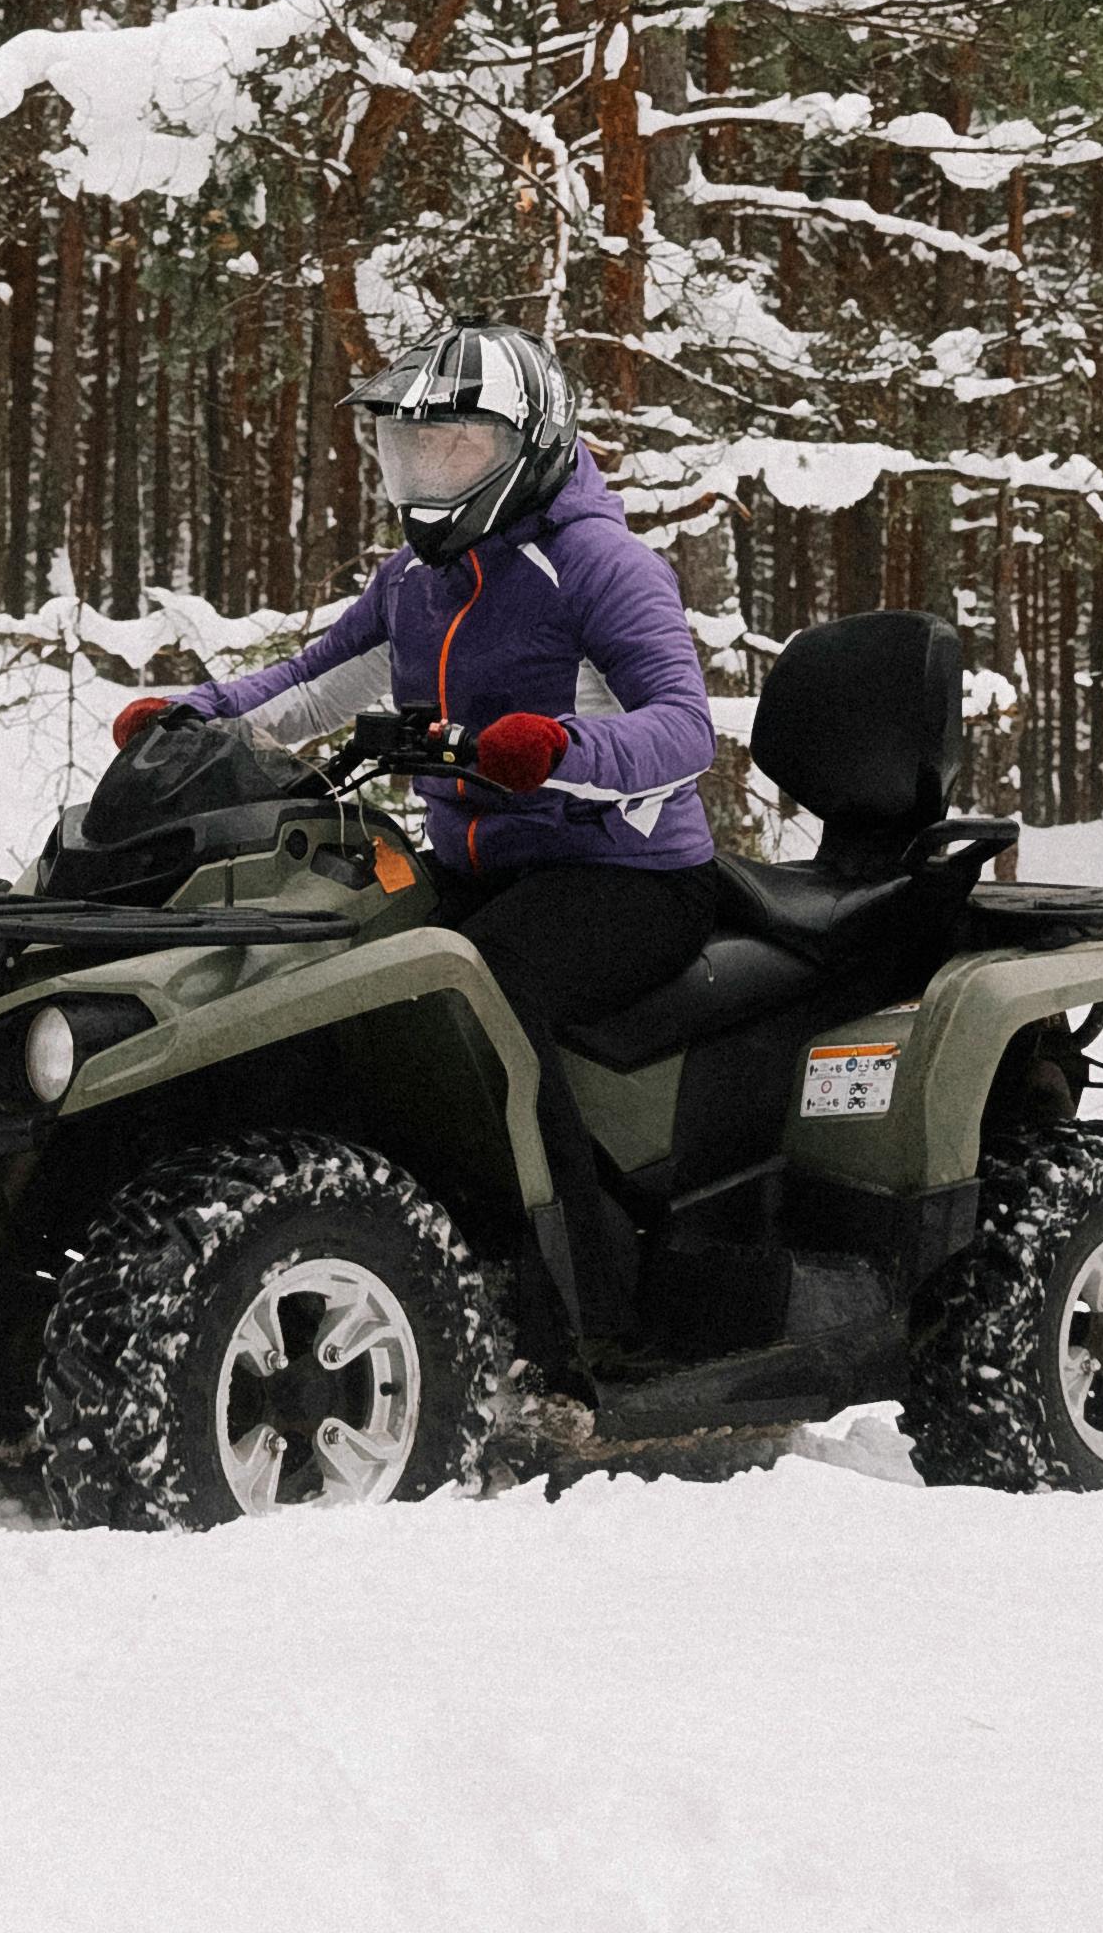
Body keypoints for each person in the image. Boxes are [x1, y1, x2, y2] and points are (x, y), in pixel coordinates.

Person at [113, 322, 715, 1356]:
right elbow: (307, 685)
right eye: (409, 448)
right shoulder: (416, 578)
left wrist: (553, 747)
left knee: (483, 1006)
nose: (428, 472)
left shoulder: (600, 564)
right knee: (342, 983)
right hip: (481, 870)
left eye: (456, 447)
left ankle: (589, 1320)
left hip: (627, 876)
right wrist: (189, 715)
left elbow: (682, 727)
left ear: (527, 442)